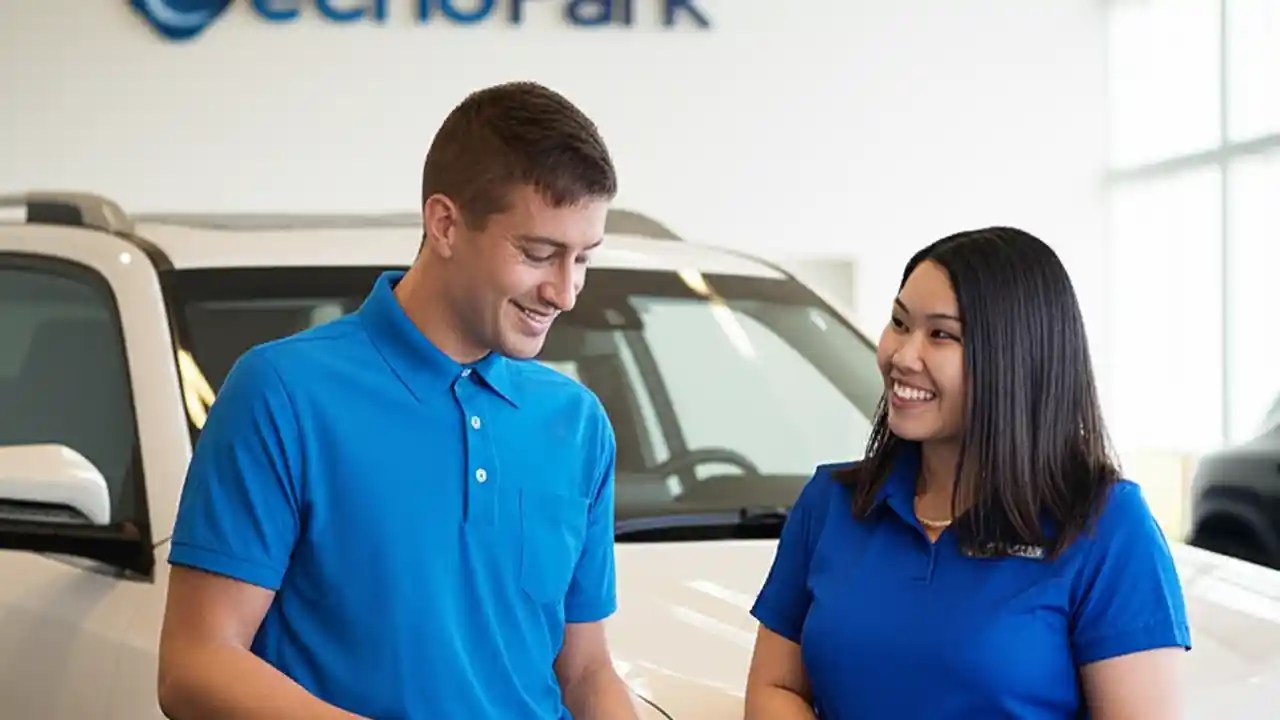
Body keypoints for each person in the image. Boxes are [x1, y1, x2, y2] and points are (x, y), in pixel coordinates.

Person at [157, 81, 639, 720]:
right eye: (539, 254)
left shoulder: (575, 423)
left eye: (583, 259)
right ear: (444, 223)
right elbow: (197, 664)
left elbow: (585, 671)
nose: (565, 292)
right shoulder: (282, 393)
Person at [744, 227, 1192, 719]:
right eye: (899, 322)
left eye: (941, 335)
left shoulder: (1105, 526)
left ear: (1016, 358)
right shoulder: (831, 504)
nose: (901, 355)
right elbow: (776, 687)